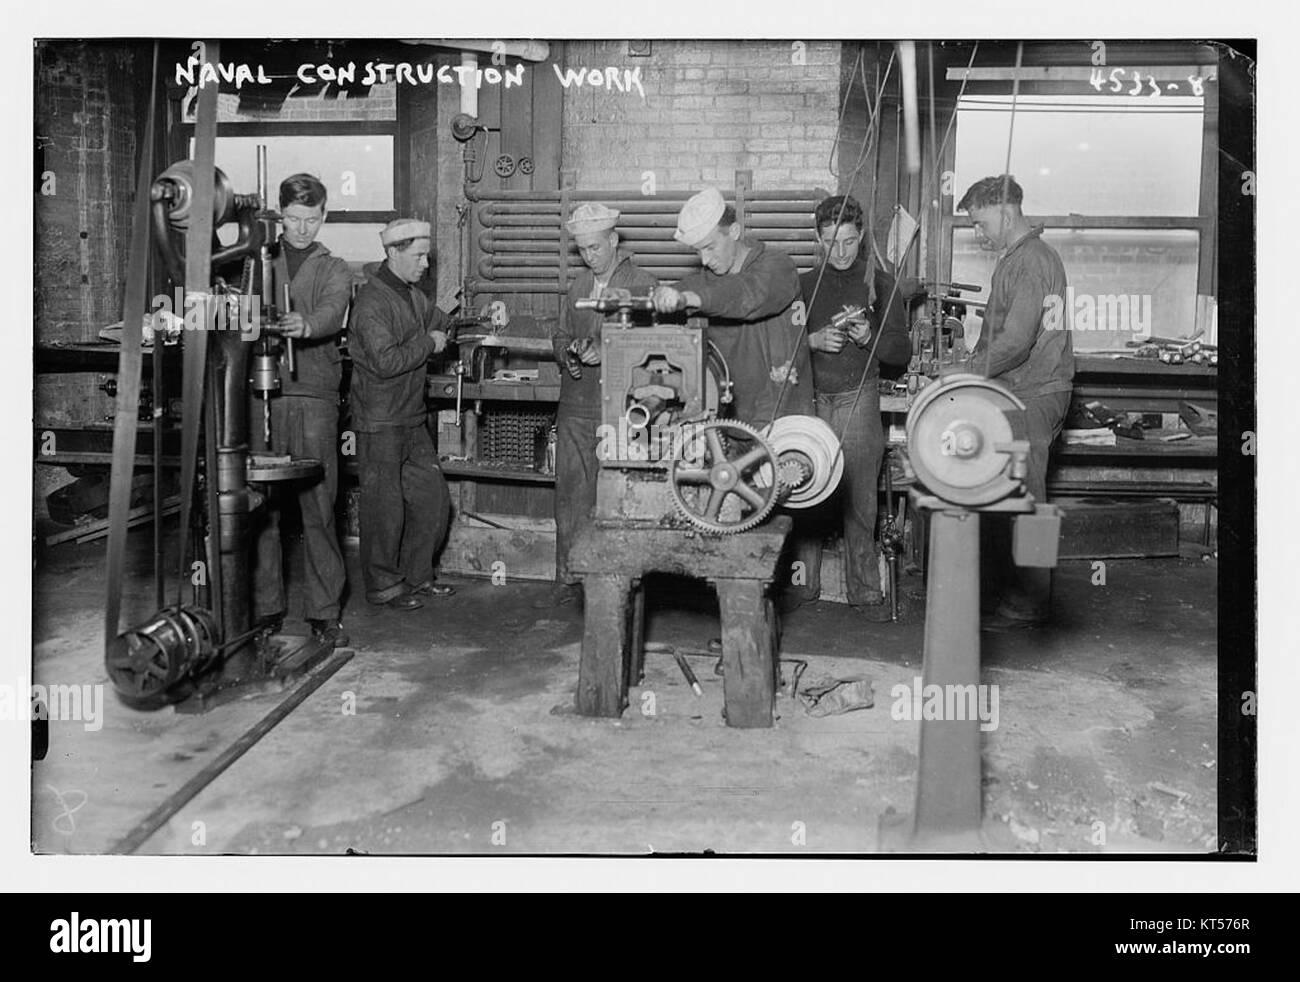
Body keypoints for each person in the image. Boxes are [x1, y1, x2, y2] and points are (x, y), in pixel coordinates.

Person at [954, 174, 1075, 630]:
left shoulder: (1029, 260)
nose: (981, 235)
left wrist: (963, 372)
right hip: (1025, 389)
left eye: (983, 224)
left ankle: (1033, 602)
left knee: (1027, 498)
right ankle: (1019, 594)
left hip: (1034, 390)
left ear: (1006, 214)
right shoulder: (1022, 257)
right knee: (1016, 494)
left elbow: (1017, 342)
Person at [791, 194, 911, 618]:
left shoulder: (882, 284)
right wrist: (810, 341)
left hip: (859, 397)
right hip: (810, 401)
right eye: (829, 243)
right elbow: (778, 347)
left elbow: (900, 353)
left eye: (847, 242)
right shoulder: (802, 285)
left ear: (861, 237)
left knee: (860, 499)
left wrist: (867, 336)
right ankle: (802, 587)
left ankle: (863, 591)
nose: (839, 252)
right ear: (817, 239)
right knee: (804, 496)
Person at [251, 173, 353, 648]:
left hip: (312, 395)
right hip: (261, 394)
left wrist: (304, 323)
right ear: (278, 215)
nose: (302, 229)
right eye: (293, 219)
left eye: (311, 219)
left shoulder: (334, 267)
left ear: (324, 216)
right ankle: (265, 607)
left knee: (318, 506)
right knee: (261, 506)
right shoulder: (257, 260)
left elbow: (333, 313)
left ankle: (323, 610)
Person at [539, 203, 658, 608]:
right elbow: (559, 334)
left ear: (613, 240)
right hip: (575, 405)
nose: (589, 256)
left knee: (616, 495)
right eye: (583, 250)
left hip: (620, 408)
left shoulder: (642, 284)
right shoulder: (577, 287)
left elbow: (654, 345)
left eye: (595, 247)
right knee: (570, 494)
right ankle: (569, 576)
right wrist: (568, 352)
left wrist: (606, 350)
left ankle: (615, 582)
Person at [348, 219, 459, 611]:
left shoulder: (410, 296)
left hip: (410, 417)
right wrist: (430, 343)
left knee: (433, 500)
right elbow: (386, 361)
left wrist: (470, 318)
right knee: (384, 507)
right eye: (418, 256)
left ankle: (418, 577)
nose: (425, 264)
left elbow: (439, 320)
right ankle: (384, 586)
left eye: (426, 256)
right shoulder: (371, 303)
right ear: (393, 253)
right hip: (379, 421)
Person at [651, 187, 814, 427]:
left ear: (734, 231)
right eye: (698, 252)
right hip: (728, 421)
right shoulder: (705, 282)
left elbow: (747, 294)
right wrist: (628, 295)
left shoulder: (778, 267)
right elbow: (668, 295)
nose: (705, 260)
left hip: (781, 418)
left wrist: (690, 299)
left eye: (710, 247)